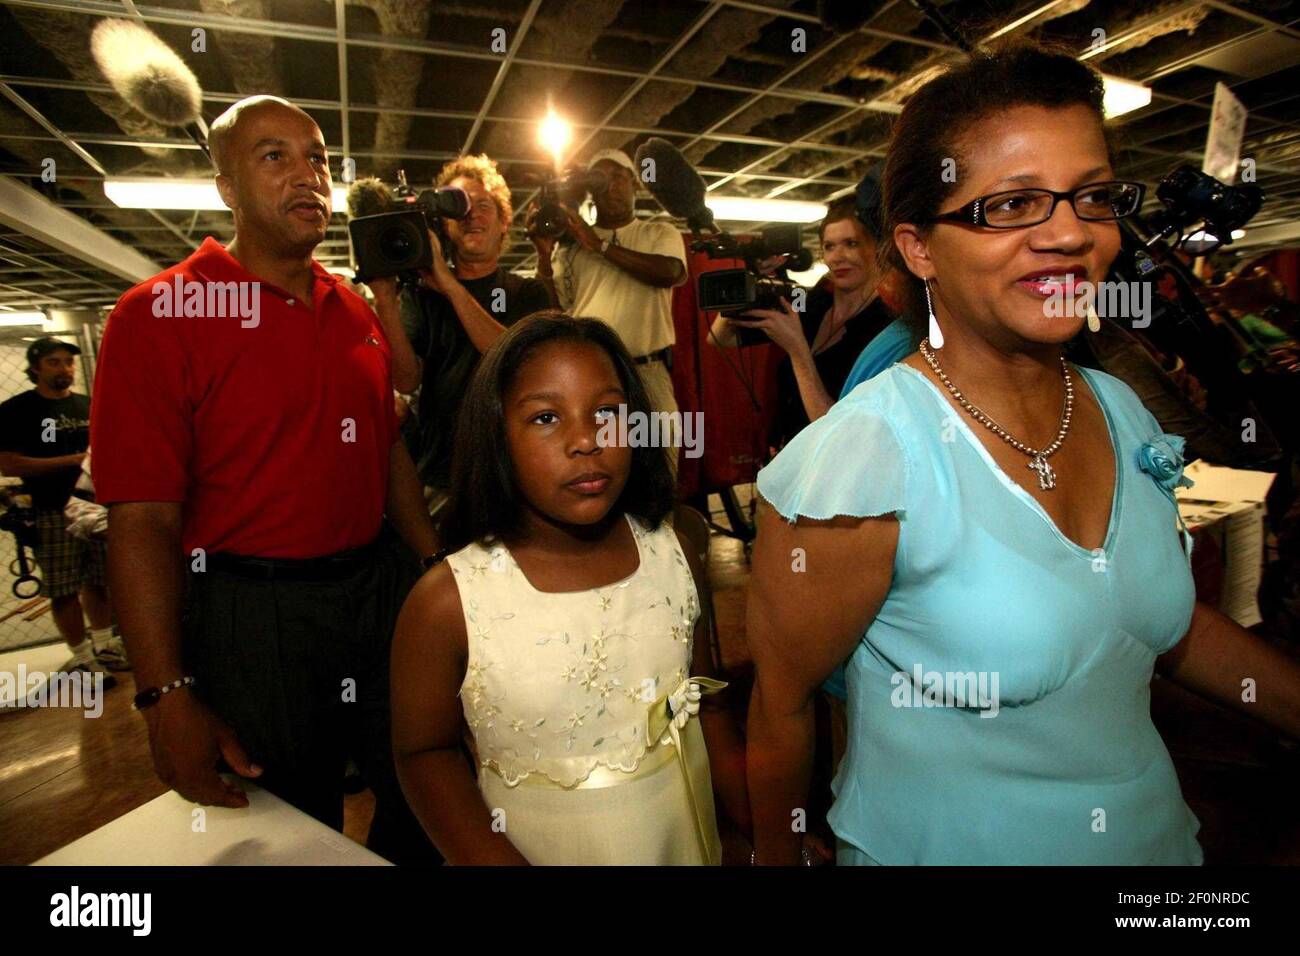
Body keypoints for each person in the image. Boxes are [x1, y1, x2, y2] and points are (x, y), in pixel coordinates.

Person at [744, 41, 1300, 866]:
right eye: (1011, 206)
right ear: (920, 248)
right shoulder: (863, 463)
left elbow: (1158, 624)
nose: (1071, 234)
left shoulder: (1118, 410)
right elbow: (782, 707)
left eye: (1093, 197)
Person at [91, 95, 440, 864]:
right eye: (273, 156)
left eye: (316, 156)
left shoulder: (352, 309)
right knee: (292, 827)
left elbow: (385, 456)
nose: (307, 174)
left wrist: (434, 572)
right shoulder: (157, 314)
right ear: (226, 187)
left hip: (376, 593)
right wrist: (164, 695)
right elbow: (142, 520)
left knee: (426, 792)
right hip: (253, 617)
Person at [391, 312, 749, 864]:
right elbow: (424, 752)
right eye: (545, 418)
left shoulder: (677, 547)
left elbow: (706, 703)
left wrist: (756, 828)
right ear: (495, 435)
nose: (586, 440)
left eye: (607, 411)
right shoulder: (448, 600)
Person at [400, 154, 552, 509]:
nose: (472, 215)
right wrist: (386, 296)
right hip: (442, 473)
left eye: (484, 205)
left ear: (503, 223)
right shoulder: (421, 296)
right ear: (444, 227)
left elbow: (517, 358)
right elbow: (406, 381)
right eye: (459, 207)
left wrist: (451, 286)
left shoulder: (528, 292)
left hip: (513, 471)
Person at [709, 195, 894, 450]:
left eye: (851, 243)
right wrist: (749, 281)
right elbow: (721, 337)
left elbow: (841, 433)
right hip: (786, 458)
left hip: (831, 469)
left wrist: (797, 350)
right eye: (829, 246)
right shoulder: (810, 304)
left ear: (878, 248)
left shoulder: (885, 328)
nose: (837, 256)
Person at [528, 149, 688, 442]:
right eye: (601, 180)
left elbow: (670, 273)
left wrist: (600, 246)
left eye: (618, 177)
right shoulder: (572, 248)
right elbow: (554, 313)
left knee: (662, 462)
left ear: (635, 184)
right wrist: (543, 256)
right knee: (601, 460)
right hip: (593, 374)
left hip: (647, 371)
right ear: (592, 189)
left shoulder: (658, 232)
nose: (611, 186)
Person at [0, 337, 120, 680]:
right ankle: (81, 656)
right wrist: (75, 460)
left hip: (93, 505)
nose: (64, 369)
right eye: (54, 362)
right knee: (63, 586)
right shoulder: (16, 411)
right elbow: (9, 465)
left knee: (99, 581)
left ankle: (104, 644)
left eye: (68, 363)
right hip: (51, 509)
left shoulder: (87, 405)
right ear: (35, 367)